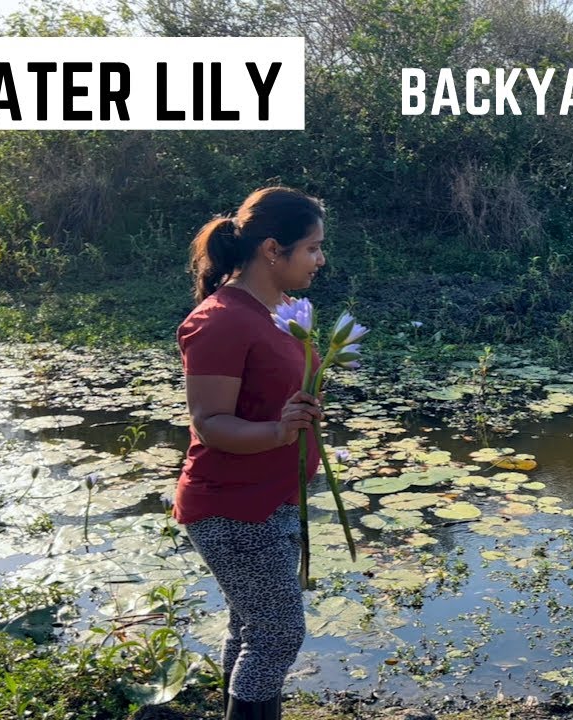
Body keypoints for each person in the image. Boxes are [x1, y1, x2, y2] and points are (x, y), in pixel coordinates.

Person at [174, 186, 328, 720]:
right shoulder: (221, 319)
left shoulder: (283, 310)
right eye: (310, 248)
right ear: (271, 249)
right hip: (233, 506)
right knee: (279, 634)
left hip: (275, 497)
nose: (320, 259)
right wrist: (280, 431)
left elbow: (277, 388)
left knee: (252, 627)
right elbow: (209, 423)